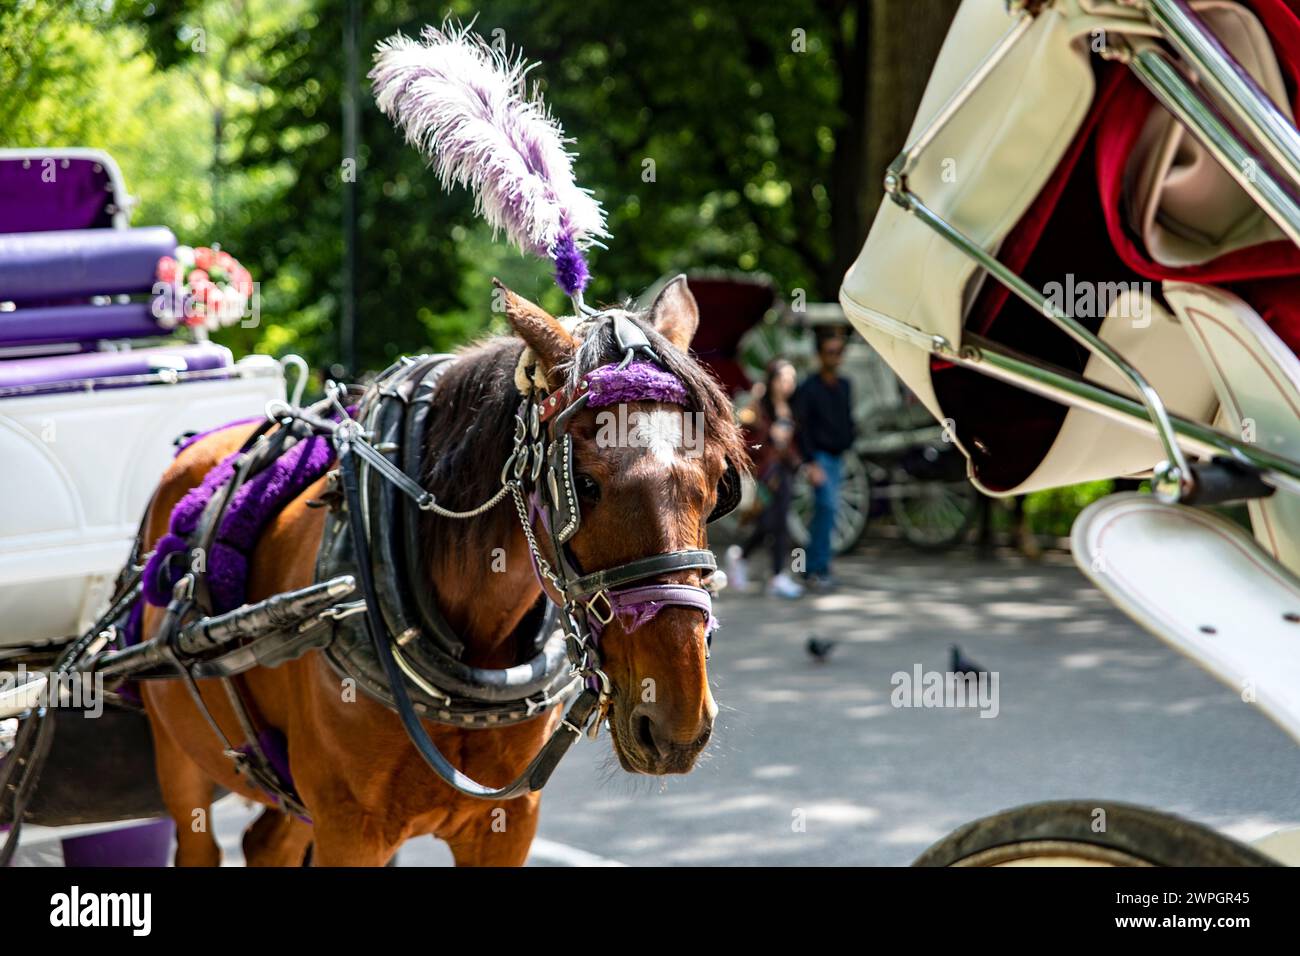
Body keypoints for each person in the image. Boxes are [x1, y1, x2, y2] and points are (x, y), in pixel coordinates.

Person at [726, 359, 804, 599]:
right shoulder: (759, 407)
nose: (788, 384)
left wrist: (798, 461)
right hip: (766, 473)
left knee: (775, 523)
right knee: (772, 522)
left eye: (792, 378)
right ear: (772, 381)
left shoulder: (791, 406)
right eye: (783, 378)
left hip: (785, 471)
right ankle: (765, 569)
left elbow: (792, 443)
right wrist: (768, 434)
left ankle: (759, 566)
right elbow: (745, 434)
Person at [793, 331, 855, 591]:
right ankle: (815, 569)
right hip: (820, 458)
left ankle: (817, 568)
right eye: (831, 352)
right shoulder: (808, 388)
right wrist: (811, 463)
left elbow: (848, 419)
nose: (836, 358)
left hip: (838, 458)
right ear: (819, 355)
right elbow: (801, 428)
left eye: (839, 352)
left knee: (828, 514)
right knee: (827, 509)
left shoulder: (845, 386)